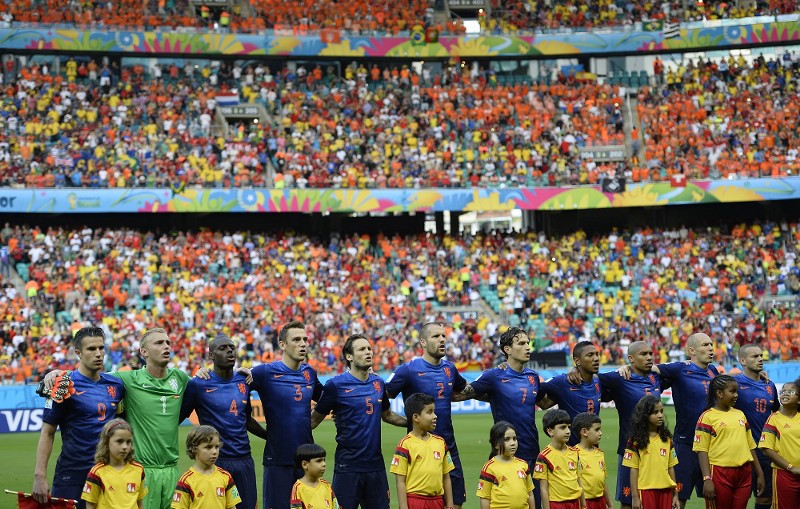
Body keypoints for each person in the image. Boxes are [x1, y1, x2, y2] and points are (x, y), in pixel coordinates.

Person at [43, 327, 191, 509]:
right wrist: (56, 373)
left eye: (168, 342)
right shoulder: (121, 380)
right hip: (80, 472)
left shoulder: (179, 378)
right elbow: (48, 431)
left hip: (130, 472)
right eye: (159, 342)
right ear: (143, 351)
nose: (166, 346)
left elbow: (201, 386)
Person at [310, 334, 407, 509]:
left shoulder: (378, 383)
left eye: (369, 348)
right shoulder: (335, 385)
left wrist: (414, 423)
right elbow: (313, 421)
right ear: (349, 356)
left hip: (375, 466)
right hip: (348, 466)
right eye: (362, 349)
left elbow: (388, 415)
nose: (368, 352)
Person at [34, 327, 125, 508]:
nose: (98, 354)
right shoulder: (62, 384)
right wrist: (39, 476)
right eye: (91, 349)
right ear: (78, 353)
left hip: (107, 473)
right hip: (72, 475)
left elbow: (122, 429)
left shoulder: (116, 385)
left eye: (101, 348)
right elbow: (48, 432)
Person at [386, 322, 469, 509]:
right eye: (436, 336)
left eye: (443, 336)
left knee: (455, 503)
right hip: (419, 451)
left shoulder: (450, 369)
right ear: (423, 342)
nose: (442, 340)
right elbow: (382, 398)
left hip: (449, 448)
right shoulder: (407, 370)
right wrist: (405, 421)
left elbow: (463, 392)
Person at [180, 334, 266, 509]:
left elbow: (246, 419)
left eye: (232, 347)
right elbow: (178, 417)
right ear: (211, 355)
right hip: (215, 461)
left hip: (244, 460)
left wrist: (270, 437)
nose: (229, 350)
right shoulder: (198, 384)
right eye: (223, 348)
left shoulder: (243, 380)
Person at [466, 327, 543, 508]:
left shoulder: (533, 377)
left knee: (532, 502)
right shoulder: (494, 375)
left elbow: (546, 402)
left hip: (531, 451)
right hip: (504, 452)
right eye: (522, 343)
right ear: (507, 349)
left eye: (528, 343)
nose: (527, 347)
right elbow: (463, 393)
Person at [249, 321, 323, 509]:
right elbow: (232, 385)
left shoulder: (309, 374)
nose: (303, 344)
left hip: (307, 459)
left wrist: (314, 419)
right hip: (278, 458)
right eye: (296, 339)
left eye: (305, 339)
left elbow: (329, 398)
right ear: (282, 344)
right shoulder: (265, 372)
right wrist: (204, 372)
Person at [653, 333, 719, 509]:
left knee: (714, 496)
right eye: (705, 345)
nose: (710, 348)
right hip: (686, 443)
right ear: (692, 350)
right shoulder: (680, 369)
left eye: (711, 344)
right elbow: (651, 368)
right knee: (678, 498)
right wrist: (626, 369)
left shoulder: (714, 371)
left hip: (712, 444)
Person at [598, 341, 662, 509]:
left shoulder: (657, 377)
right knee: (628, 502)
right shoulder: (620, 378)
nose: (649, 357)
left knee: (658, 497)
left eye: (650, 353)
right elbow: (590, 375)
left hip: (656, 451)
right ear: (631, 359)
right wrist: (574, 370)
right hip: (630, 449)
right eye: (643, 354)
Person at [694, 375, 765, 509]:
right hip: (720, 472)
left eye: (737, 391)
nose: (736, 395)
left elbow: (750, 445)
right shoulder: (707, 417)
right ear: (719, 393)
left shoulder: (740, 414)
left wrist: (760, 473)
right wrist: (707, 479)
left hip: (744, 473)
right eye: (732, 391)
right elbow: (701, 450)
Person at [732, 344, 779, 509]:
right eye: (755, 356)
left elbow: (777, 414)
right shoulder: (734, 383)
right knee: (736, 499)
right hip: (739, 452)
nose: (760, 359)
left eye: (761, 356)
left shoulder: (769, 385)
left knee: (764, 498)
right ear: (742, 361)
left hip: (764, 450)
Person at [390, 392, 455, 509]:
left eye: (434, 411)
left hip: (437, 501)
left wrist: (450, 505)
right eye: (429, 412)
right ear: (416, 417)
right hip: (415, 501)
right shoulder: (405, 445)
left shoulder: (440, 443)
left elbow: (446, 476)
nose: (435, 416)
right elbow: (400, 481)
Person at [622, 396, 679, 509]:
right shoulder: (635, 440)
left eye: (661, 411)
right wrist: (635, 497)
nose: (660, 415)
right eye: (655, 412)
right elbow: (633, 470)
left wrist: (675, 494)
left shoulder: (666, 438)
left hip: (666, 491)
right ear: (645, 415)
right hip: (646, 491)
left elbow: (671, 467)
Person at [539, 342, 602, 440]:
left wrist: (627, 367)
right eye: (590, 355)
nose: (596, 358)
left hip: (593, 452)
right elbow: (538, 388)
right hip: (570, 452)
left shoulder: (599, 381)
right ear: (577, 361)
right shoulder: (564, 381)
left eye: (597, 354)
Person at [81, 419, 147, 509]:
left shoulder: (139, 470)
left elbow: (140, 504)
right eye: (119, 441)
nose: (125, 447)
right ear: (107, 442)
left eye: (128, 442)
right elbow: (90, 505)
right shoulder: (97, 472)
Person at [173, 425, 241, 509]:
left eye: (216, 447)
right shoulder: (186, 480)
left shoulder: (225, 476)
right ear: (194, 448)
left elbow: (232, 507)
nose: (214, 452)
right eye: (208, 447)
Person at [759, 379, 800, 509]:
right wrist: (790, 468)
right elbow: (766, 448)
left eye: (791, 391)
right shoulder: (774, 419)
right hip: (784, 474)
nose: (785, 393)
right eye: (783, 391)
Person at [476, 421, 535, 509]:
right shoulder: (489, 468)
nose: (513, 443)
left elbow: (530, 493)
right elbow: (485, 498)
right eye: (507, 439)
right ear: (496, 444)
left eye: (514, 438)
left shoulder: (523, 464)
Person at [534, 409, 585, 509]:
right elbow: (543, 489)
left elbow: (578, 480)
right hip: (557, 504)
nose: (567, 431)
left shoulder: (574, 452)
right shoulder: (544, 457)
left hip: (575, 503)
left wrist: (583, 505)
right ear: (550, 431)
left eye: (568, 427)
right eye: (562, 427)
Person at [572, 413, 612, 509]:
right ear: (584, 432)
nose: (601, 433)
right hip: (583, 502)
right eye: (597, 430)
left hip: (600, 501)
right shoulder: (573, 454)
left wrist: (610, 504)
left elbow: (602, 481)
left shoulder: (600, 453)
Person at [290, 444, 338, 509]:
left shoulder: (326, 485)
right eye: (319, 461)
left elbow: (335, 506)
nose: (324, 464)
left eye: (324, 460)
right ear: (304, 464)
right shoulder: (298, 488)